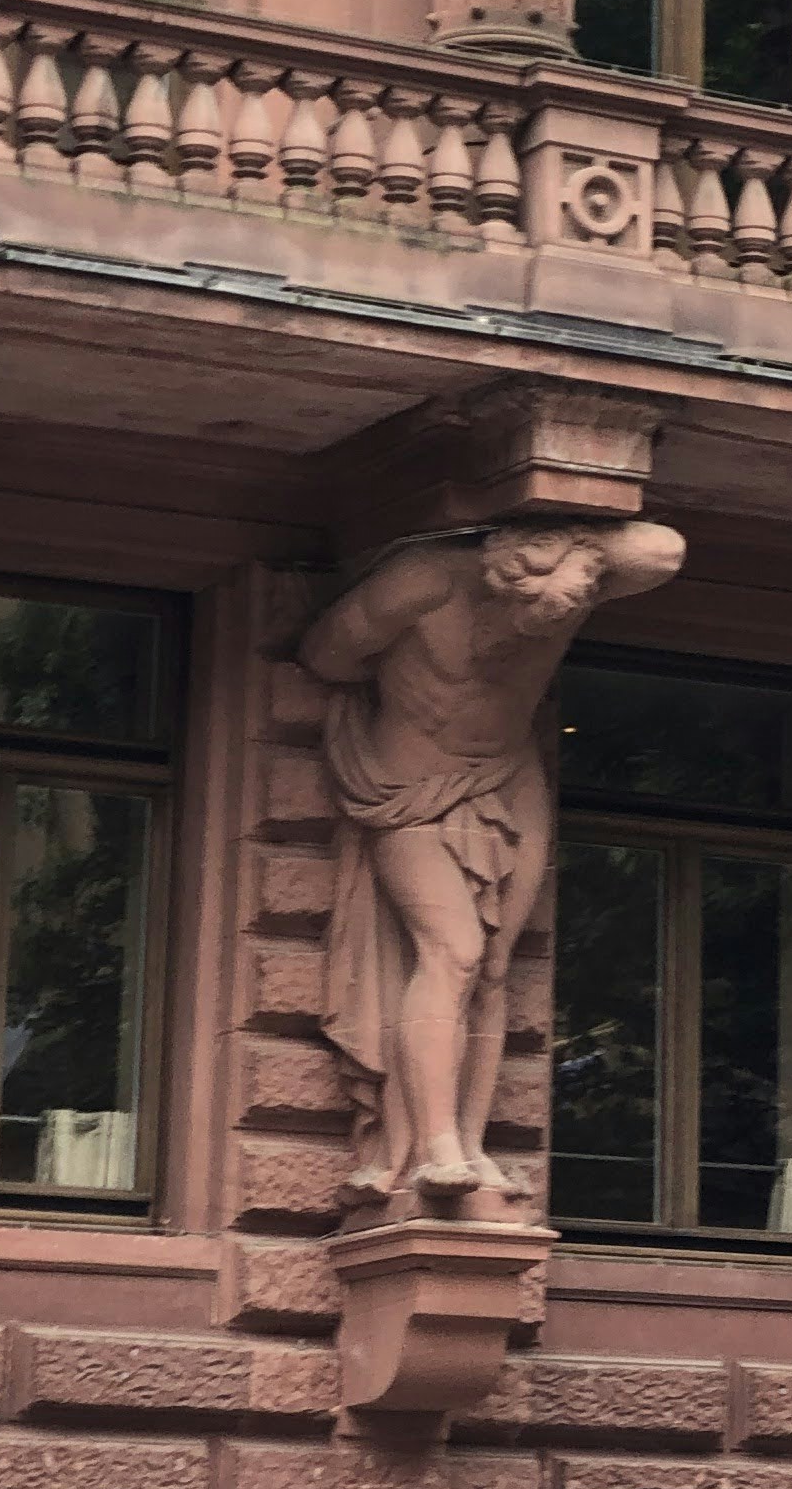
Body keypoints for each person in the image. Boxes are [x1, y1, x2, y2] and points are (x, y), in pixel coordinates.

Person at [283, 514, 685, 1210]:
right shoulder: (423, 583)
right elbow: (326, 656)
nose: (540, 631)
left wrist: (579, 546)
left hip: (508, 774)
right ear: (499, 584)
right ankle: (432, 1147)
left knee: (495, 968)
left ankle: (469, 1146)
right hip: (410, 786)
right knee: (455, 952)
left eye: (565, 613)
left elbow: (663, 550)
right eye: (530, 615)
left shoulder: (572, 590)